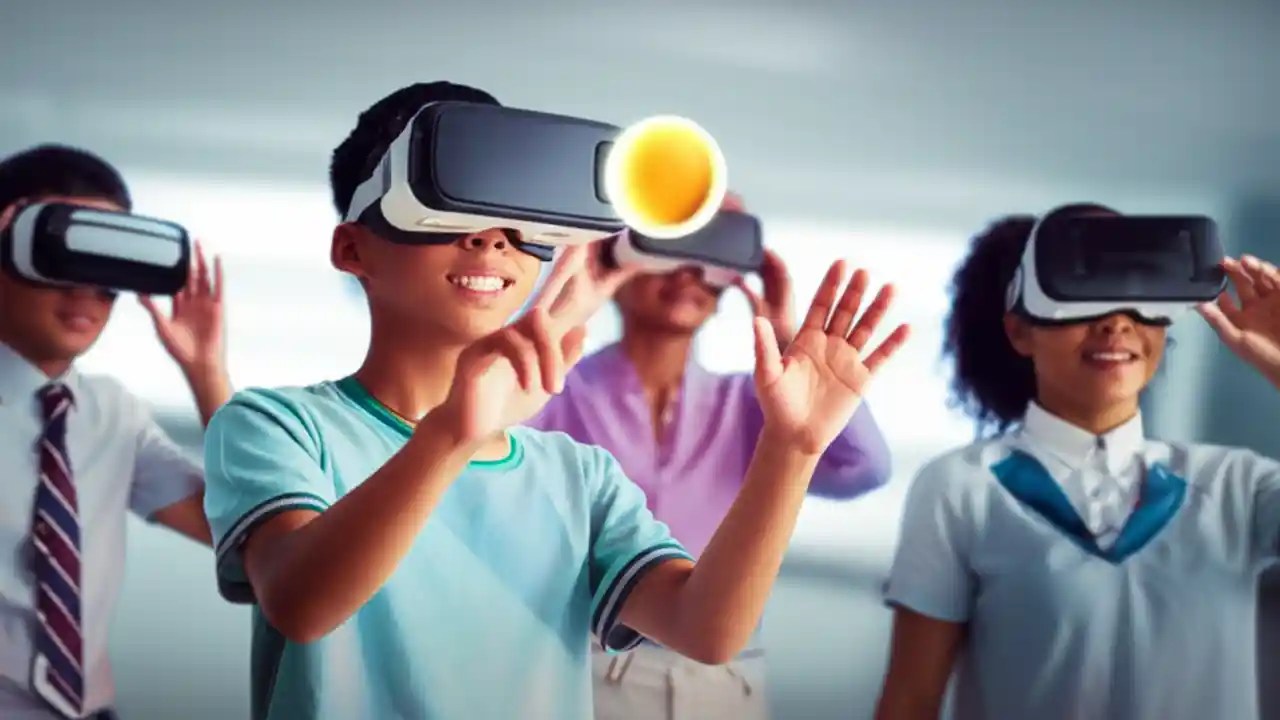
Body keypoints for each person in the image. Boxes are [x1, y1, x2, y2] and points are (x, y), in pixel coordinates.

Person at [200, 81, 911, 720]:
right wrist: (450, 436)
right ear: (354, 249)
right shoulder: (275, 426)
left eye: (516, 225)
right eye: (445, 212)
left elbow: (708, 629)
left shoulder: (578, 473)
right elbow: (300, 604)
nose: (490, 240)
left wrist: (792, 447)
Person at [874, 203, 1280, 720]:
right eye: (1083, 299)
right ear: (1021, 330)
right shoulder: (960, 489)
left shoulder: (1237, 486)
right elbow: (910, 701)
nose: (1115, 323)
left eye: (1135, 297)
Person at [524, 192, 892, 718]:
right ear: (618, 261)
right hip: (583, 663)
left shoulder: (754, 402)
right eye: (666, 247)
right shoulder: (552, 388)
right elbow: (469, 440)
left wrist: (790, 342)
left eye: (712, 253)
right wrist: (560, 306)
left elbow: (863, 470)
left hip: (725, 677)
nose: (689, 272)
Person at [0, 145, 231, 719]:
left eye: (105, 264)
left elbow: (249, 536)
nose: (86, 288)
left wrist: (206, 372)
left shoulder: (114, 416)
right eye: (58, 255)